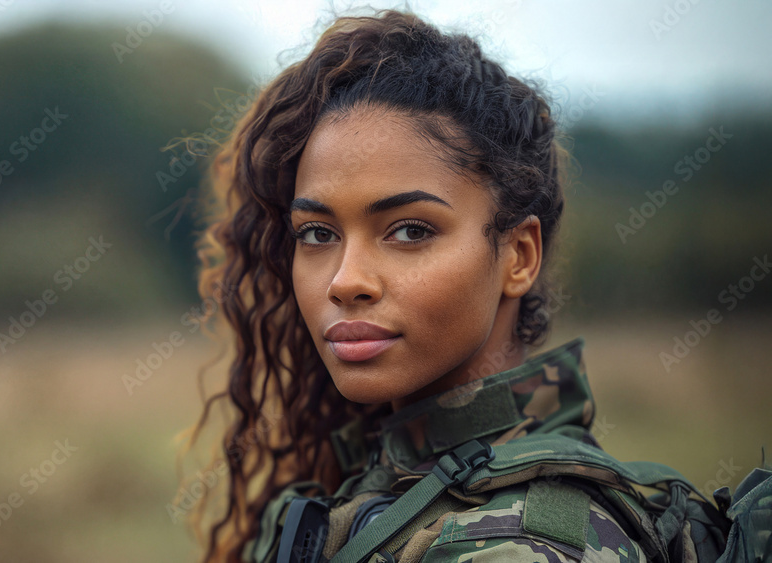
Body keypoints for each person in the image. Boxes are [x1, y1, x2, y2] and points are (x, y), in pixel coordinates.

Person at [176, 8, 730, 563]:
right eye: (318, 233)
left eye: (410, 230)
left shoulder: (520, 545)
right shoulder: (393, 479)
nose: (346, 281)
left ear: (519, 255)